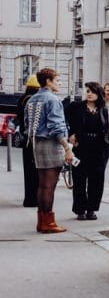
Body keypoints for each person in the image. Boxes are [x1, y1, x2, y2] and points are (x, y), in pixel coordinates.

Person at [24, 67, 74, 233]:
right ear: (48, 81)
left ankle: (42, 220)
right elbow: (56, 127)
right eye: (57, 80)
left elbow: (26, 124)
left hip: (36, 143)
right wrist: (67, 148)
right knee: (49, 185)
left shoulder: (31, 99)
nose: (59, 83)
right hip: (51, 143)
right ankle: (48, 222)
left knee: (42, 185)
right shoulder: (53, 99)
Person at [67, 82, 109, 220]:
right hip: (81, 146)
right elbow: (64, 121)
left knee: (97, 180)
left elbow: (106, 128)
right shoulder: (76, 107)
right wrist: (70, 134)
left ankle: (91, 209)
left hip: (98, 148)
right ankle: (80, 210)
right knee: (79, 179)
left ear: (99, 94)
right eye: (87, 91)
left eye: (92, 91)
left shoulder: (102, 109)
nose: (89, 93)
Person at [16, 74, 40, 207]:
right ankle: (32, 199)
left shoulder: (22, 98)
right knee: (34, 171)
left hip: (25, 138)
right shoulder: (32, 100)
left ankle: (29, 198)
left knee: (28, 170)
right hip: (31, 139)